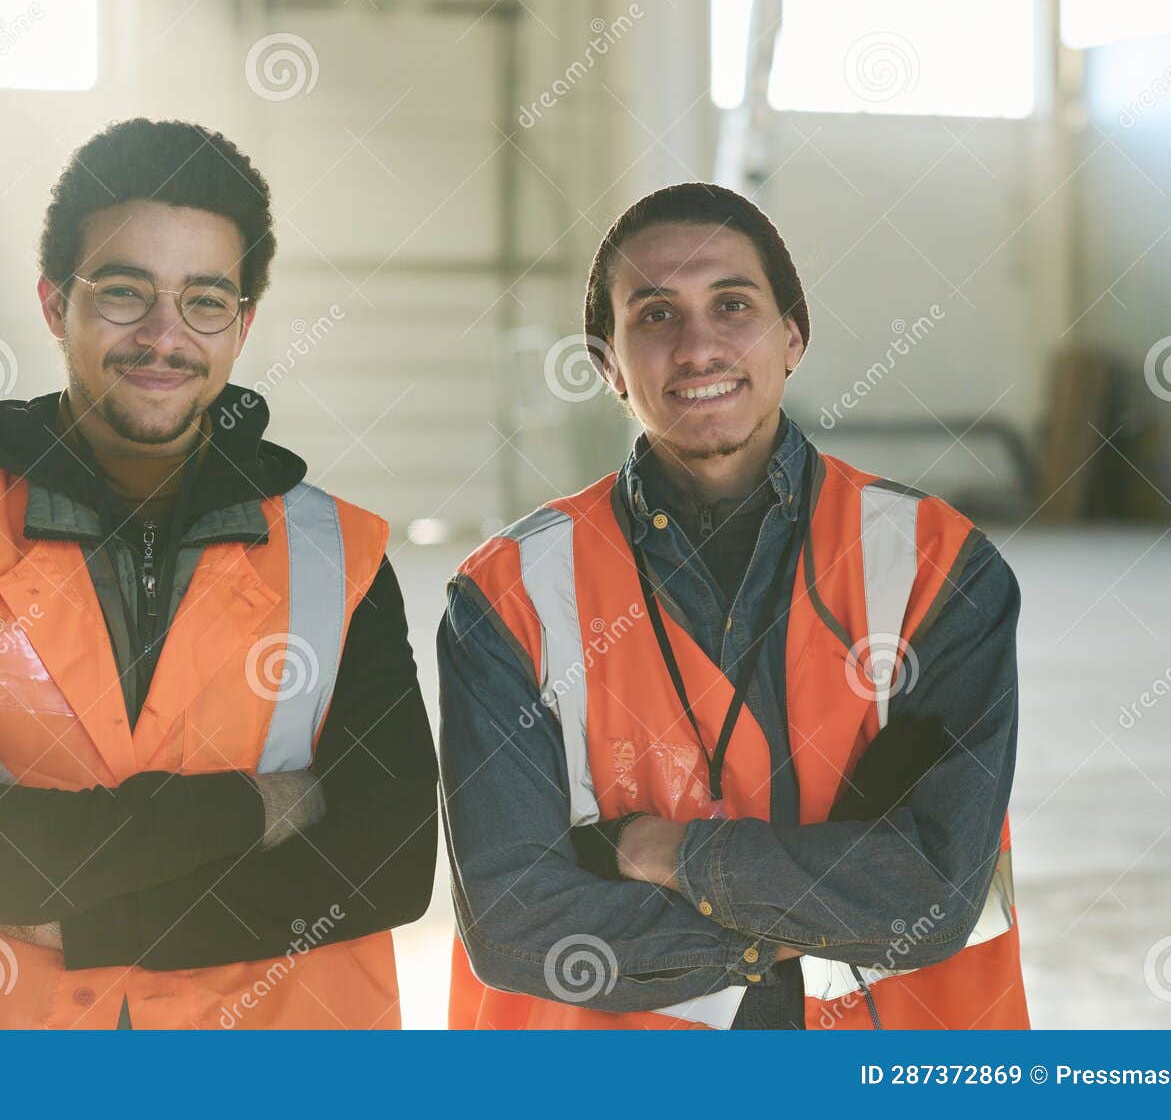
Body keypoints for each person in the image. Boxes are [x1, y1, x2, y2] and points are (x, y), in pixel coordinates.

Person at [0, 118, 436, 1029]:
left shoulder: (338, 558)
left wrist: (71, 904)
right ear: (53, 304)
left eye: (204, 300)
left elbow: (388, 861)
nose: (163, 335)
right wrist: (266, 806)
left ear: (243, 324)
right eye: (123, 292)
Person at [438, 181, 1027, 1030]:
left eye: (733, 304)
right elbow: (515, 920)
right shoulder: (508, 595)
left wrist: (663, 852)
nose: (699, 346)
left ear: (793, 337)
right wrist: (792, 930)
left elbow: (933, 893)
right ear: (607, 365)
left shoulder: (936, 566)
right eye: (655, 315)